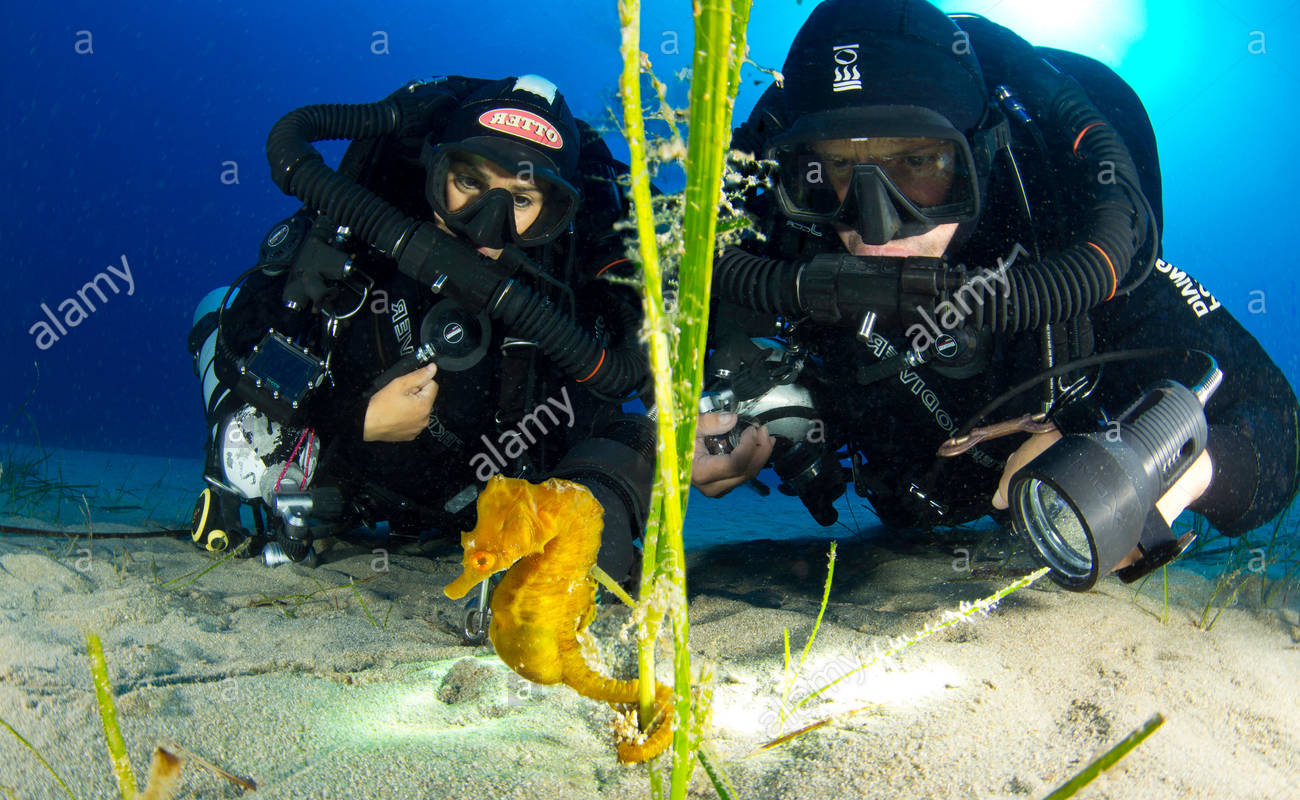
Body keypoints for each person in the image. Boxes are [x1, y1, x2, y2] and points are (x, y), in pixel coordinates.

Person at [695, 0, 1299, 585]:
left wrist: (1135, 462)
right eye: (840, 170)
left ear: (978, 155)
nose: (877, 227)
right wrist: (755, 410)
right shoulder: (780, 235)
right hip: (894, 496)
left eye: (919, 166)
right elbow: (660, 340)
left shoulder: (1058, 229)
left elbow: (1274, 423)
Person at [188, 75, 653, 597]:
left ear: (554, 217)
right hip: (343, 477)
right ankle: (230, 484)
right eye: (471, 185)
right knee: (214, 310)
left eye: (520, 201)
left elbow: (622, 403)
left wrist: (598, 513)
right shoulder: (366, 231)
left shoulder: (561, 300)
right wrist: (352, 419)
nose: (485, 225)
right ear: (436, 173)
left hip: (470, 506)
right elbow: (242, 331)